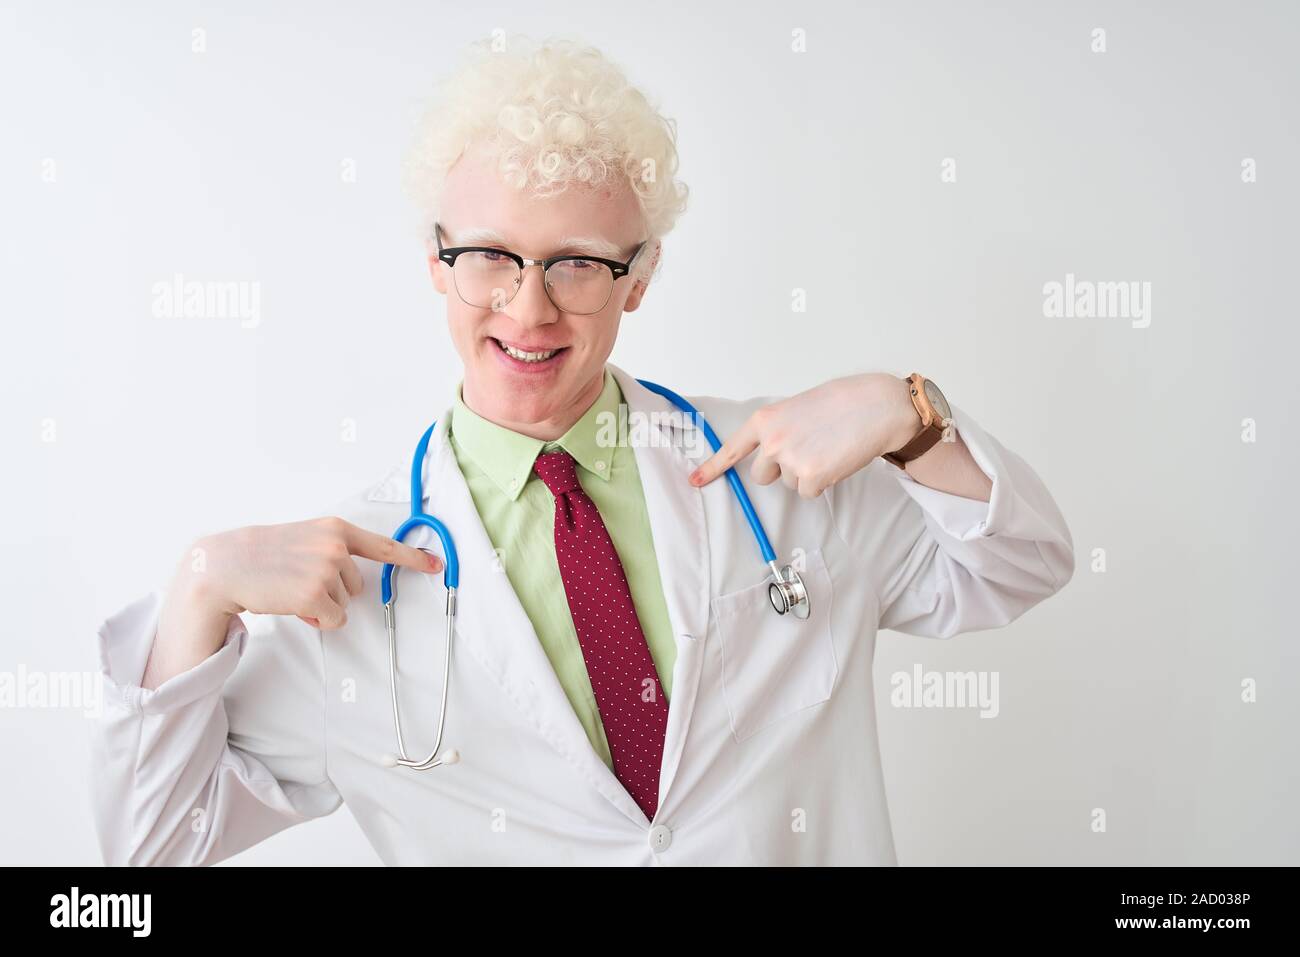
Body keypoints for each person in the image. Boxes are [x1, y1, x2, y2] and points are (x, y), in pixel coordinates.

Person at [90, 35, 1074, 866]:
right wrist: (201, 588)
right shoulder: (356, 591)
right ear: (435, 260)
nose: (528, 306)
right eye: (490, 256)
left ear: (639, 277)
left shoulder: (780, 472)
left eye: (577, 264)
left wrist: (911, 418)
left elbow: (1022, 563)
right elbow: (149, 847)